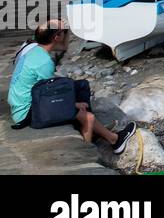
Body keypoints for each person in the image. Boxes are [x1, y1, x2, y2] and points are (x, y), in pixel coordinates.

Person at [9, 21, 137, 152]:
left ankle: (89, 131)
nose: (66, 33)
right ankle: (111, 141)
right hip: (26, 113)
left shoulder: (34, 48)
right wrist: (74, 105)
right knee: (88, 118)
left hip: (25, 102)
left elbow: (63, 50)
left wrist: (64, 30)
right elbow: (49, 98)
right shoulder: (44, 63)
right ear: (56, 37)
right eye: (64, 31)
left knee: (81, 86)